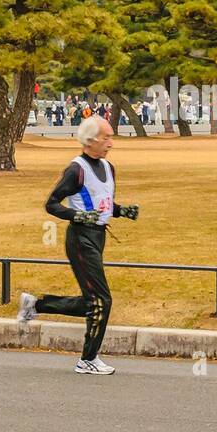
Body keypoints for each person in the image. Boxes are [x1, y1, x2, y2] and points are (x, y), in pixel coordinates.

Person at [16, 116, 138, 375]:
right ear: (91, 140)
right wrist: (77, 216)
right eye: (106, 138)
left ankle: (35, 305)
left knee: (92, 302)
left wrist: (121, 210)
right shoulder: (76, 169)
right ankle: (88, 359)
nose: (111, 143)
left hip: (98, 237)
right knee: (102, 300)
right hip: (81, 239)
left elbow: (101, 203)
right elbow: (52, 203)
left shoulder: (108, 167)